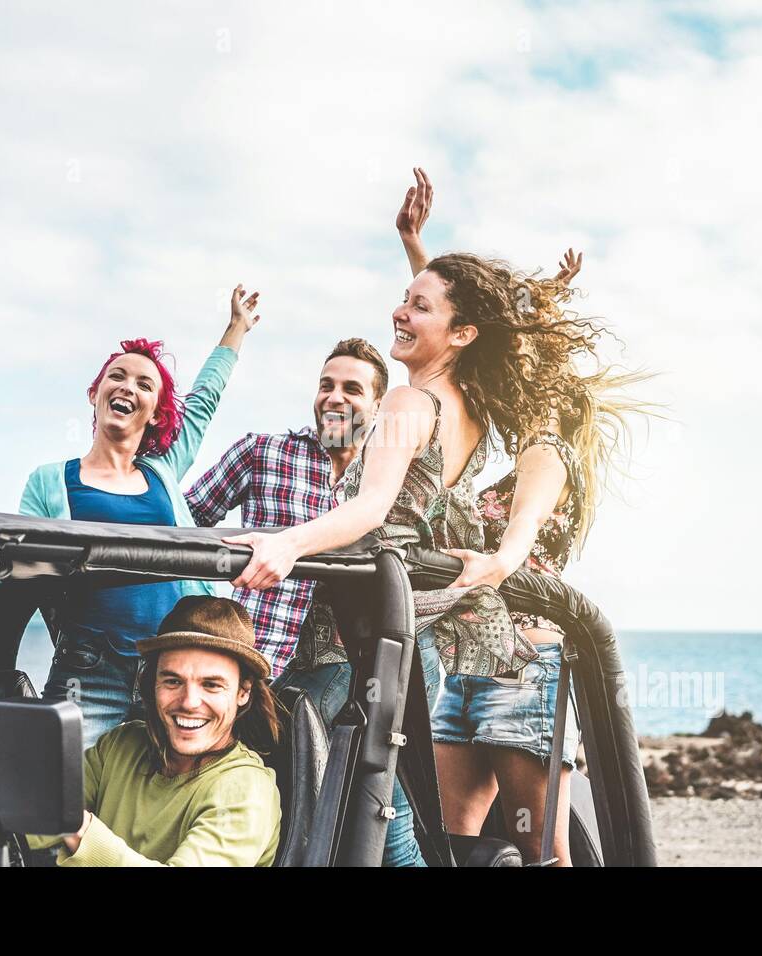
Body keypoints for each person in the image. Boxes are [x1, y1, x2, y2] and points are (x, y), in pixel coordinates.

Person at [224, 171, 596, 865]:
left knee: (273, 766)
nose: (399, 311)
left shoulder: (406, 403)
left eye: (417, 306)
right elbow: (454, 322)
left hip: (355, 636)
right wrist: (415, 249)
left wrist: (287, 543)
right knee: (385, 812)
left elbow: (370, 509)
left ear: (460, 332)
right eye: (403, 299)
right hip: (408, 637)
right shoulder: (468, 411)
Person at [401, 182, 654, 863]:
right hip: (468, 657)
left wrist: (502, 560)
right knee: (448, 843)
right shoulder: (507, 455)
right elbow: (457, 326)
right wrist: (417, 250)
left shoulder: (549, 454)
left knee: (541, 848)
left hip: (525, 662)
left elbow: (524, 524)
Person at [18, 287, 262, 747]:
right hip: (89, 670)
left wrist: (236, 329)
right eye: (118, 376)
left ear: (155, 413)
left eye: (144, 384)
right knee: (60, 779)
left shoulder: (162, 471)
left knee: (170, 784)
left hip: (175, 668)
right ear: (95, 393)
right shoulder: (50, 481)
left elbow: (204, 402)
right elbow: (24, 573)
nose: (128, 387)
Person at [0, 595, 282, 867]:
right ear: (151, 683)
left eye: (211, 685)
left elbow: (69, 826)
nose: (189, 701)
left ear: (243, 692)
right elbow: (32, 827)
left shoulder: (245, 790)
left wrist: (81, 830)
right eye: (172, 681)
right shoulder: (121, 746)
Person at [184, 337, 390, 676]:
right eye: (326, 386)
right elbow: (184, 520)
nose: (334, 397)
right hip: (256, 662)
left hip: (348, 677)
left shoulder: (385, 483)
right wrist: (204, 610)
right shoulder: (262, 452)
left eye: (352, 389)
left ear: (378, 405)